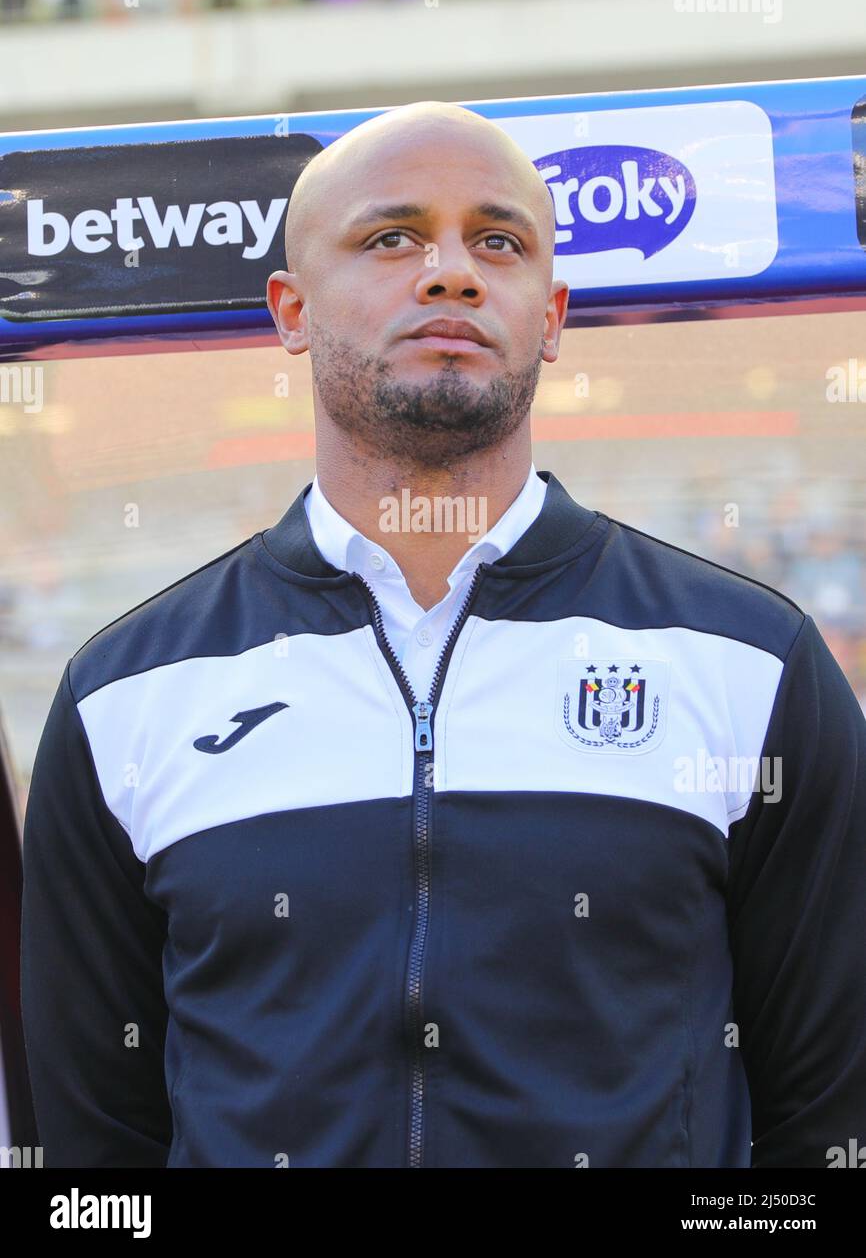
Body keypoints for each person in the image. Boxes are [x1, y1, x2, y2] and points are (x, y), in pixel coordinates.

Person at [20, 101, 866, 1168]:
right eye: (391, 238)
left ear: (551, 316)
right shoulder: (125, 695)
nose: (451, 272)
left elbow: (832, 1120)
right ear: (289, 308)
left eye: (498, 242)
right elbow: (95, 1157)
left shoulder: (752, 663)